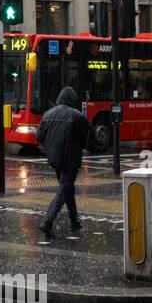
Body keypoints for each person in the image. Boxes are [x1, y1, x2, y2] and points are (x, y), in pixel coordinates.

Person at [35, 85, 93, 239]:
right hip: (71, 158)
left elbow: (39, 136)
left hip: (54, 158)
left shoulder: (48, 114)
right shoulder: (77, 116)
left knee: (67, 187)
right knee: (64, 188)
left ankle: (74, 220)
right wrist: (82, 145)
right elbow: (89, 135)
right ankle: (47, 221)